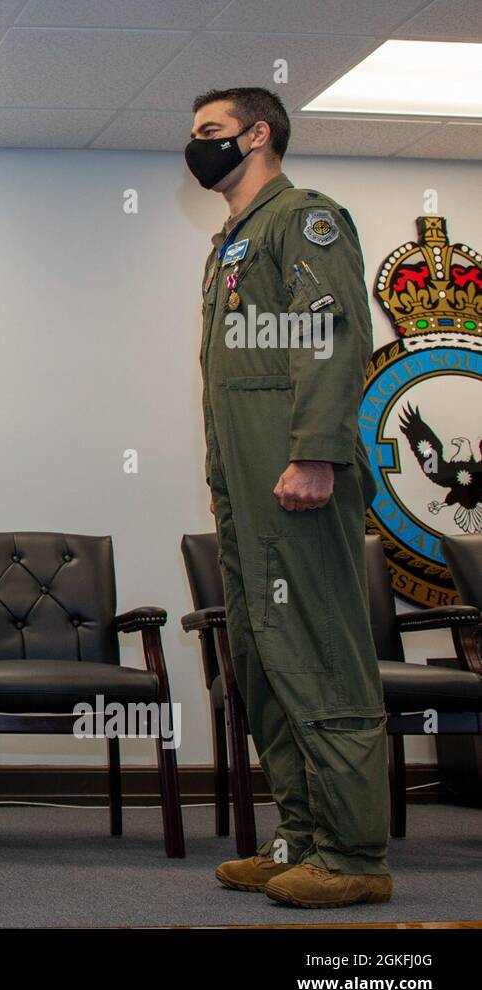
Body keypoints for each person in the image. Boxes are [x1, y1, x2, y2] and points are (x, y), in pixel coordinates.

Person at [188, 87, 391, 907]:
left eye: (210, 133)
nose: (197, 147)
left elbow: (331, 332)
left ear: (258, 134)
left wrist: (315, 453)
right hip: (245, 483)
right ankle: (301, 838)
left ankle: (353, 854)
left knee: (317, 654)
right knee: (267, 663)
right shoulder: (230, 241)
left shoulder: (304, 219)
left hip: (297, 477)